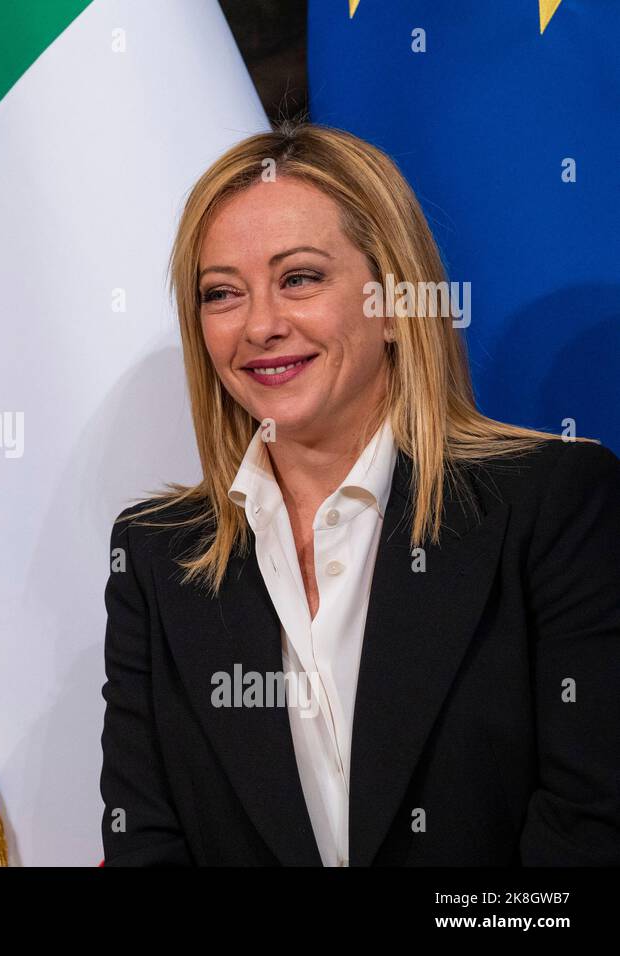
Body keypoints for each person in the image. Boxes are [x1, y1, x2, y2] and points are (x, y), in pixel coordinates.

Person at [99, 122, 620, 866]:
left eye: (300, 278)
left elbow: (590, 836)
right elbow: (144, 845)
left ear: (395, 299)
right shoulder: (154, 553)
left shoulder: (555, 504)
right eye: (221, 293)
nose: (261, 326)